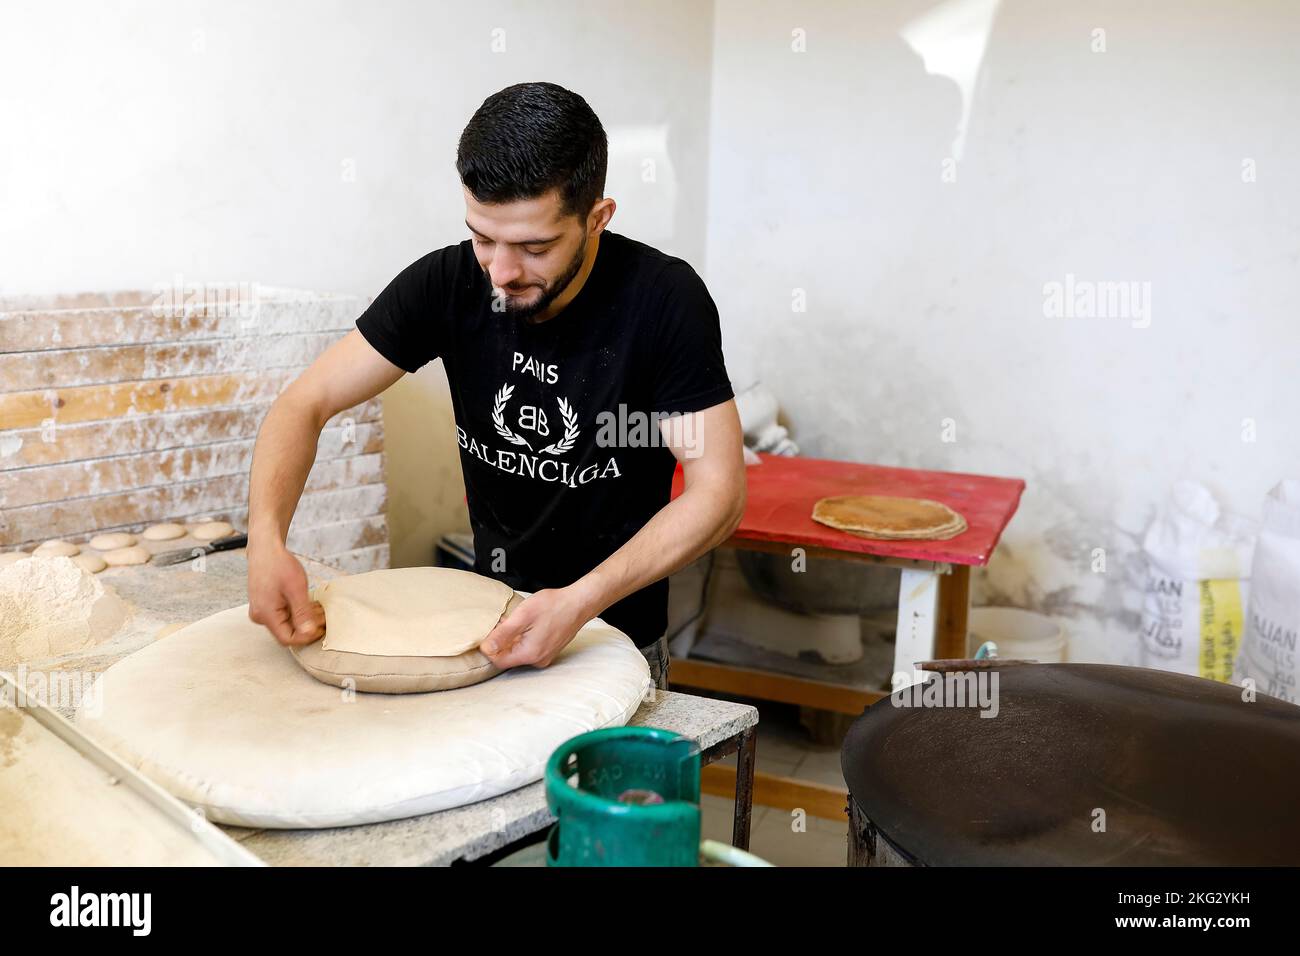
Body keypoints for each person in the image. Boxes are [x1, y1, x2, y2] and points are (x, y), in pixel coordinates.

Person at [246, 81, 745, 690]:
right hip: (484, 635)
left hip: (615, 642)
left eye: (535, 247)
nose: (502, 273)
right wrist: (265, 541)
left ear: (597, 219)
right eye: (484, 238)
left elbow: (717, 492)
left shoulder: (666, 301)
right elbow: (304, 402)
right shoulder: (445, 283)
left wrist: (579, 601)